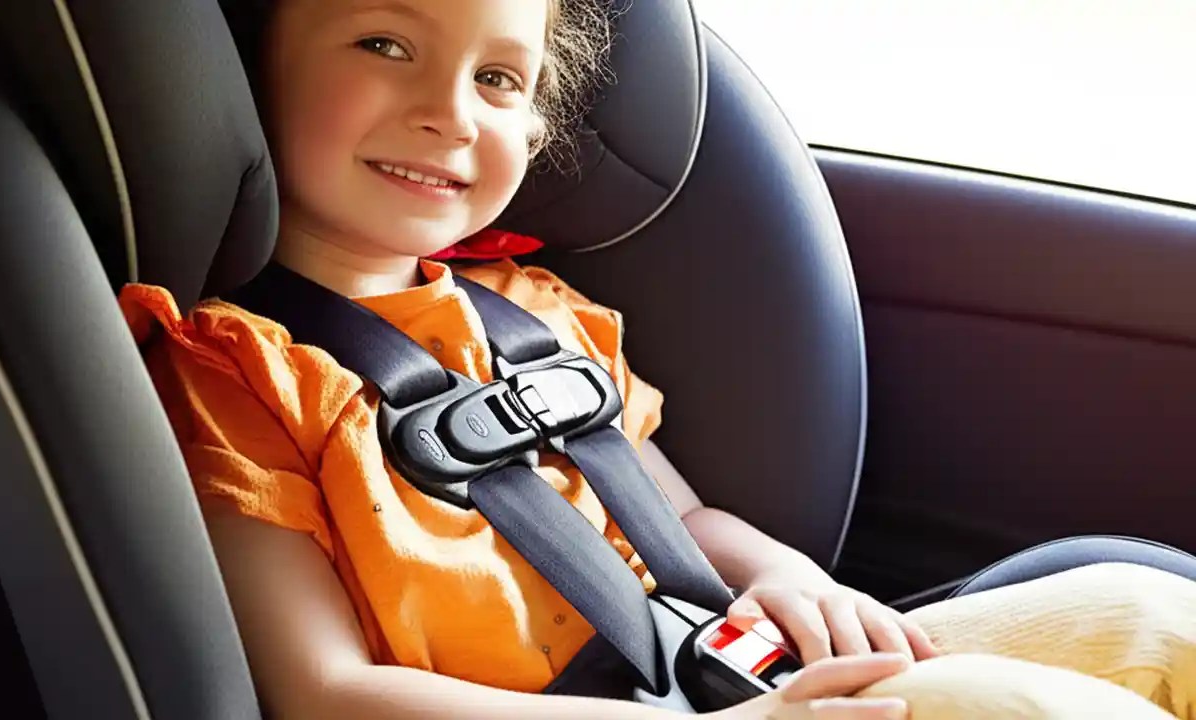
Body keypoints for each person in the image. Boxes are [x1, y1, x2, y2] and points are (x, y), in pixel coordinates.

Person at [117, 0, 1196, 717]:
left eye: (499, 80)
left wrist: (782, 576)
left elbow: (680, 522)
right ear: (251, 77)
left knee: (1139, 610)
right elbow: (321, 693)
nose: (449, 114)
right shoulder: (229, 371)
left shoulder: (539, 316)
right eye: (384, 45)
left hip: (716, 670)